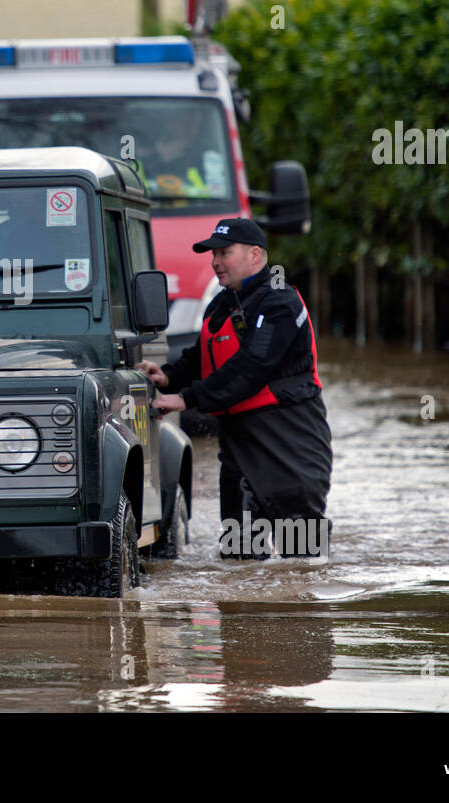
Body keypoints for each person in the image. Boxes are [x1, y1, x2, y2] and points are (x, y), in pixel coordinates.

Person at [140, 218, 332, 559]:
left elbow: (252, 367)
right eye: (213, 254)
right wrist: (167, 376)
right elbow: (203, 355)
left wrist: (187, 399)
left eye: (224, 252)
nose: (215, 261)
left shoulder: (281, 302)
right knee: (238, 561)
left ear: (255, 255)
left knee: (302, 566)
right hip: (240, 451)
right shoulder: (222, 303)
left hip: (291, 448)